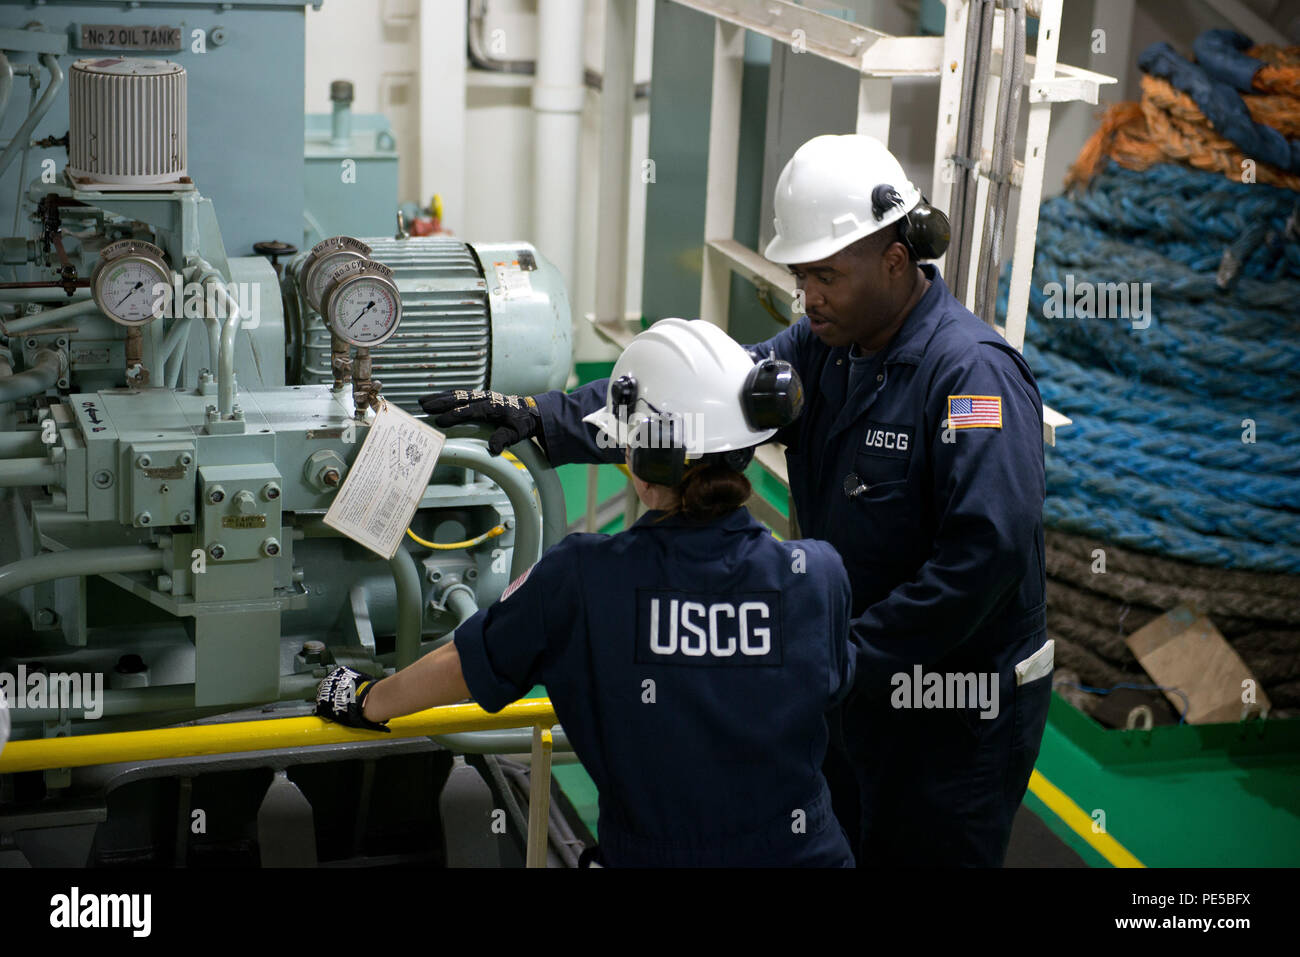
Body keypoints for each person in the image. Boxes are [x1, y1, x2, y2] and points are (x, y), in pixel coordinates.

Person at [421, 134, 1053, 867]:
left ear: (895, 258)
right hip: (854, 686)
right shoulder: (830, 344)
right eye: (800, 277)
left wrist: (845, 658)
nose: (808, 297)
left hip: (950, 705)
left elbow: (986, 556)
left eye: (825, 276)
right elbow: (697, 398)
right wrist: (542, 417)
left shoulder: (970, 376)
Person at [319, 318, 858, 867]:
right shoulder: (818, 575)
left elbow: (466, 662)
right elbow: (827, 685)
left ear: (641, 466)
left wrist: (365, 699)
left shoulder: (581, 577)